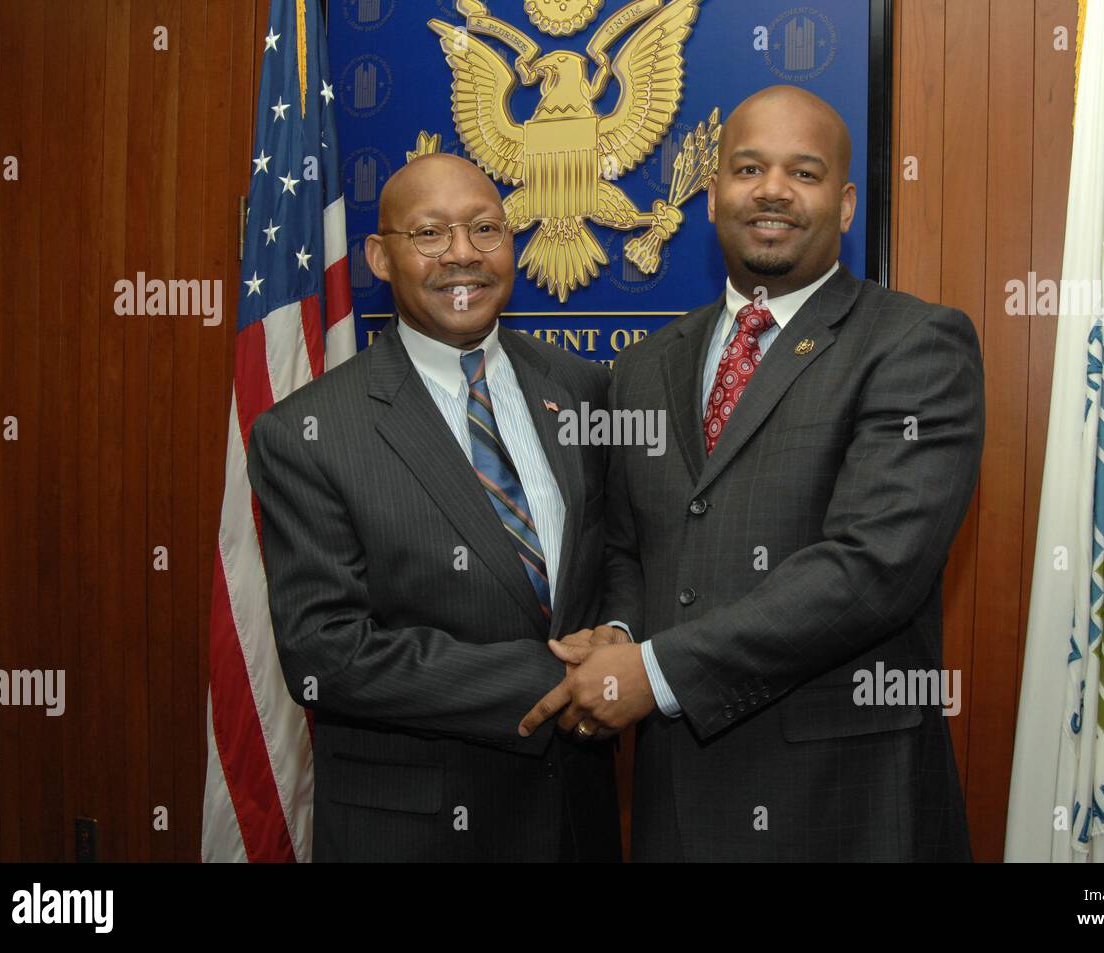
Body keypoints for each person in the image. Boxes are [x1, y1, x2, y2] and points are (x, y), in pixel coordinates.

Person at [520, 86, 985, 861]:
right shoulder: (642, 366)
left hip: (845, 803)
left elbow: (873, 569)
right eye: (747, 168)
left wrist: (653, 670)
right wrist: (621, 631)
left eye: (803, 174)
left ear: (843, 206)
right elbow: (632, 547)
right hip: (678, 798)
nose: (772, 189)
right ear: (711, 198)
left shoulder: (914, 344)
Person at [248, 153, 621, 861]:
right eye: (429, 234)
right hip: (413, 829)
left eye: (485, 229)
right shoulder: (307, 432)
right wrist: (562, 680)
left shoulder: (580, 388)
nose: (462, 255)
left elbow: (619, 552)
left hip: (577, 816)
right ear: (380, 258)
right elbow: (323, 651)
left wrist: (623, 639)